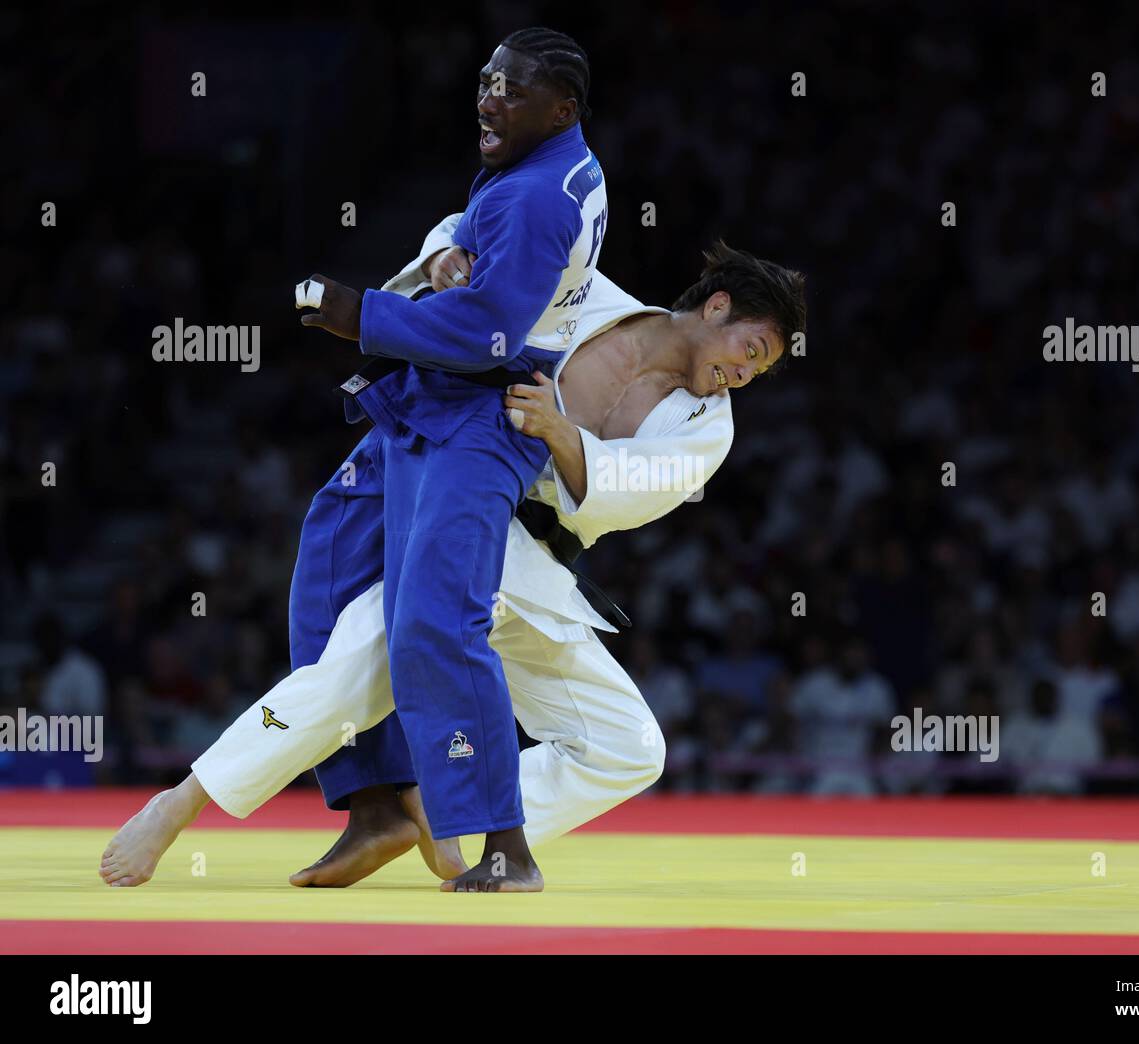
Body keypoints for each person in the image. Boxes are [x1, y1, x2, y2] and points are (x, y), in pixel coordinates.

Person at [99, 242, 806, 890]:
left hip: (538, 573)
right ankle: (179, 803)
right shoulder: (582, 292)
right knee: (353, 673)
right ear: (716, 307)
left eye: (759, 370)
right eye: (750, 349)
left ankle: (441, 809)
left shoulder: (708, 424)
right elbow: (478, 238)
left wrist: (560, 431)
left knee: (628, 747)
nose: (742, 374)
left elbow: (626, 500)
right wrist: (444, 258)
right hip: (460, 525)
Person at [290, 27, 606, 890]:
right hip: (433, 401)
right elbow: (476, 240)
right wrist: (445, 250)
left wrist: (363, 316)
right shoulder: (541, 169)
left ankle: (507, 844)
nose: (489, 97)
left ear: (562, 107)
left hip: (484, 411)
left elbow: (488, 329)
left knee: (435, 615)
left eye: (510, 87)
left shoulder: (539, 195)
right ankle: (377, 804)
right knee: (329, 559)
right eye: (485, 81)